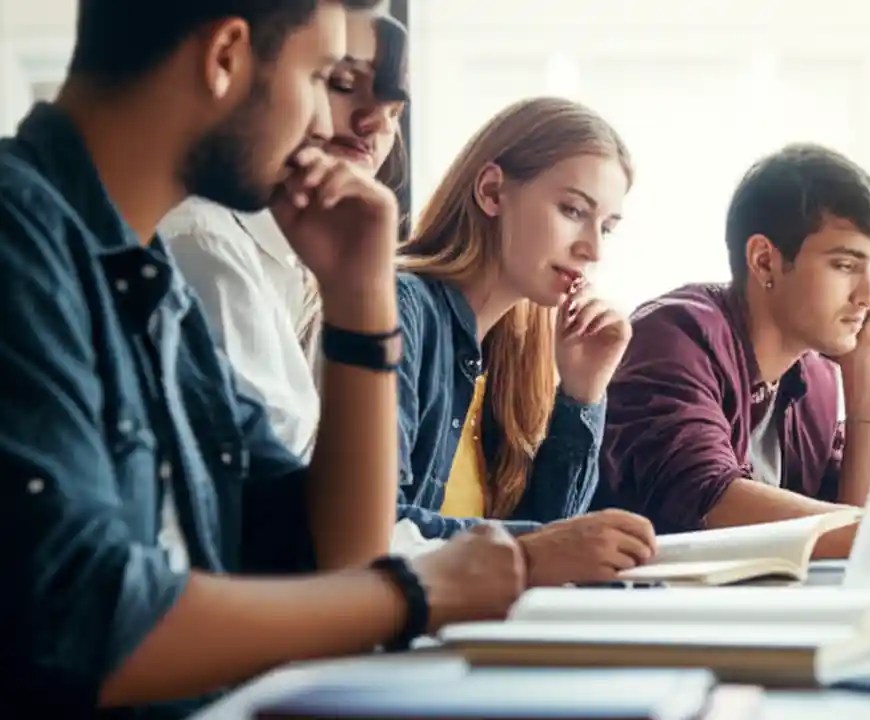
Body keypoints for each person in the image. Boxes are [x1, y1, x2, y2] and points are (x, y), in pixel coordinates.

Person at [0, 2, 522, 716]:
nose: (322, 125)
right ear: (225, 57)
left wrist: (360, 300)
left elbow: (335, 559)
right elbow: (78, 624)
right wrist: (417, 592)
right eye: (319, 77)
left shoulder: (153, 283)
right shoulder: (19, 243)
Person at [596, 143, 870, 558]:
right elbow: (710, 501)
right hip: (645, 616)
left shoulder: (813, 377)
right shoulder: (675, 336)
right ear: (764, 261)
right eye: (845, 266)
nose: (868, 296)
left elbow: (850, 536)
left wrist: (866, 397)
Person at [396, 97, 659, 586]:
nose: (593, 248)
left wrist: (582, 394)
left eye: (606, 227)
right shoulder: (400, 308)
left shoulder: (514, 350)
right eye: (573, 210)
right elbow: (376, 531)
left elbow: (558, 550)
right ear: (493, 191)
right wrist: (534, 548)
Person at [159, 12, 411, 459]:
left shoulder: (312, 263)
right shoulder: (204, 242)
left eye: (394, 112)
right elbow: (292, 488)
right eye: (339, 83)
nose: (374, 123)